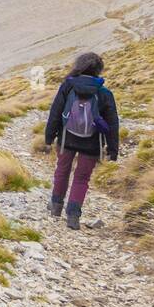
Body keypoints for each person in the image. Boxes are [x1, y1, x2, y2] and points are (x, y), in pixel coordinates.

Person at [44, 51, 119, 230]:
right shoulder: (104, 93)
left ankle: (56, 207)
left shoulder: (68, 86)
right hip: (92, 143)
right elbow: (112, 122)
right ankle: (73, 216)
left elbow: (56, 112)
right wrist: (112, 149)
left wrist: (49, 136)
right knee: (82, 178)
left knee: (62, 171)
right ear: (98, 70)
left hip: (66, 139)